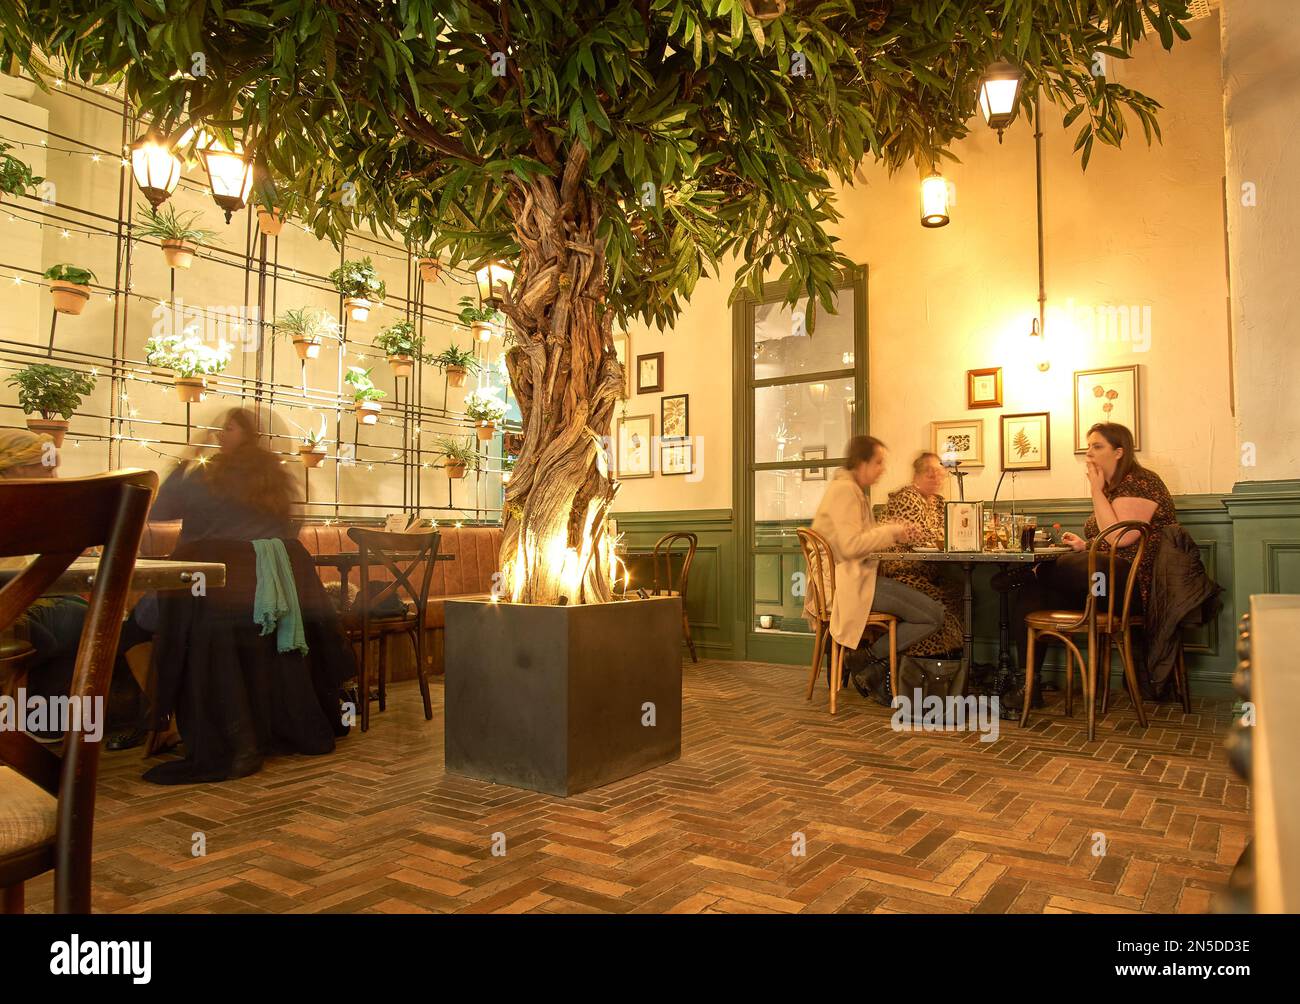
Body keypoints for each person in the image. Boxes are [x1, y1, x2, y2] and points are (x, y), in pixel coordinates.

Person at [142, 407, 354, 784]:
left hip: (207, 602)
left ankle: (159, 719)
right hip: (274, 605)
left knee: (137, 623)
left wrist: (190, 454)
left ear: (243, 434)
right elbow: (292, 531)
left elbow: (157, 511)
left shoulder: (206, 473)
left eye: (227, 428)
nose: (220, 434)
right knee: (172, 619)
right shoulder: (276, 477)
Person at [1006, 422, 1178, 711]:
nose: (1089, 454)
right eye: (1088, 447)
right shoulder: (1112, 488)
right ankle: (1029, 684)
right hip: (1101, 584)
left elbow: (1117, 538)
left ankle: (1029, 571)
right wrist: (1085, 546)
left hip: (1135, 590)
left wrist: (1096, 491)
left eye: (1097, 447)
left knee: (1053, 570)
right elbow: (1105, 541)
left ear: (1119, 451)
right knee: (1031, 594)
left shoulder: (1141, 481)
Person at [805, 435, 944, 702]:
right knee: (933, 615)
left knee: (931, 611)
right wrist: (893, 531)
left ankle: (865, 661)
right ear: (861, 462)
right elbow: (850, 546)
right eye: (878, 462)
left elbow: (856, 539)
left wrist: (894, 531)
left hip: (853, 579)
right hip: (849, 584)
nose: (883, 469)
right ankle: (863, 659)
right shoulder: (845, 492)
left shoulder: (848, 489)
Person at [880, 452, 963, 657]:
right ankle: (919, 660)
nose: (937, 478)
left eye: (940, 473)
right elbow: (921, 537)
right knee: (940, 600)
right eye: (930, 474)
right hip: (901, 573)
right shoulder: (907, 497)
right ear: (917, 476)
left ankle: (949, 661)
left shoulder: (937, 502)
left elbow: (947, 533)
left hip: (928, 573)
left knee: (961, 594)